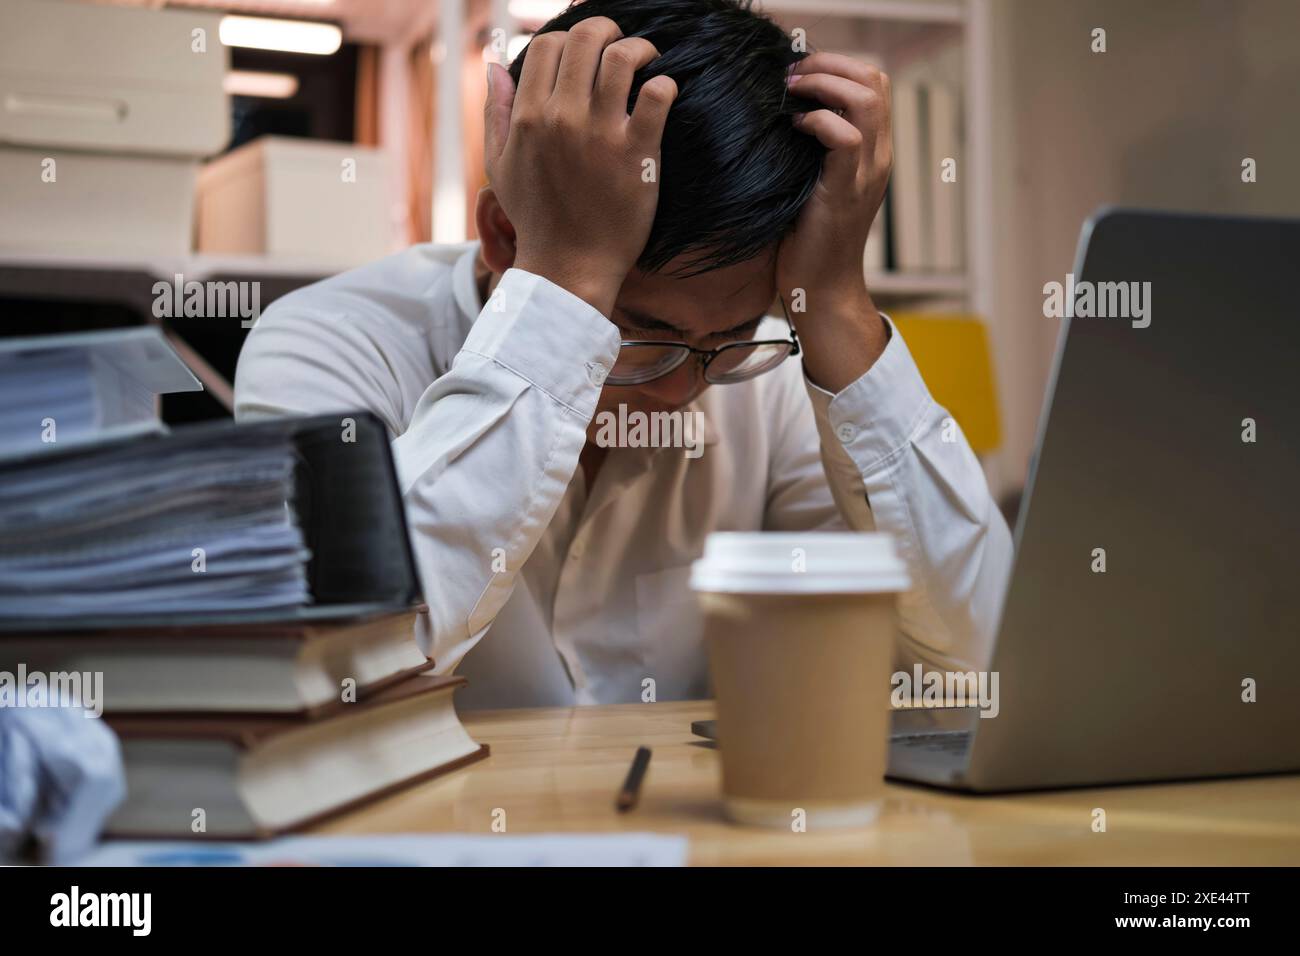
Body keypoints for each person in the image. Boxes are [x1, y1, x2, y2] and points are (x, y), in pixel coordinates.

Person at [234, 0, 1012, 709]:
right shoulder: (328, 344)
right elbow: (330, 670)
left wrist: (835, 302)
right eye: (643, 335)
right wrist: (564, 286)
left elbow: (973, 660)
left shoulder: (756, 375)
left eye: (727, 338)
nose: (683, 392)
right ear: (505, 237)